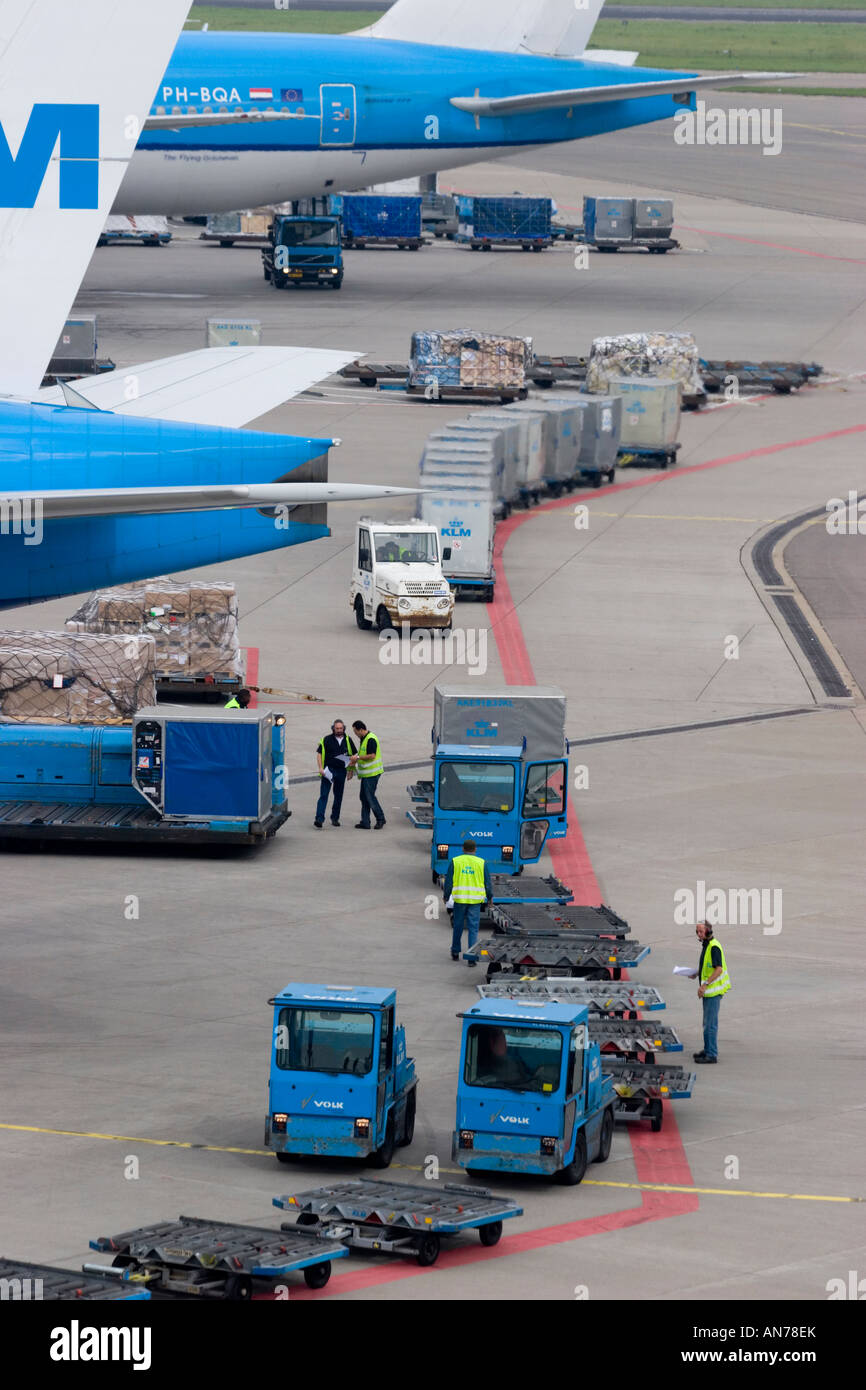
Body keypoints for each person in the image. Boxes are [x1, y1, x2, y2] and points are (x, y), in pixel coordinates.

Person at [444, 838, 492, 965]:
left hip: (460, 899)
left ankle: (455, 952)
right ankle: (471, 958)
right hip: (475, 901)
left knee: (458, 926)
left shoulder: (456, 861)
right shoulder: (482, 863)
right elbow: (487, 883)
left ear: (463, 849)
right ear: (475, 849)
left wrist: (446, 896)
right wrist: (490, 897)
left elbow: (448, 882)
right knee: (473, 928)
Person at [694, 920, 731, 1064]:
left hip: (713, 992)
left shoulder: (713, 947)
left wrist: (704, 985)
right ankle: (707, 1049)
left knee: (710, 1024)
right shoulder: (707, 944)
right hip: (709, 992)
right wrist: (697, 973)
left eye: (701, 931)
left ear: (708, 931)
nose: (698, 934)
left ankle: (711, 1054)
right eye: (697, 931)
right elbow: (707, 966)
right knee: (707, 1023)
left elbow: (718, 969)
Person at [314, 720, 356, 828]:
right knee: (324, 795)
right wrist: (320, 768)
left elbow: (354, 756)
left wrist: (351, 770)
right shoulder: (326, 739)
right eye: (337, 728)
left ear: (344, 728)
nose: (339, 730)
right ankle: (319, 819)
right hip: (329, 770)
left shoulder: (348, 740)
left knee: (338, 796)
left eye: (340, 728)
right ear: (333, 728)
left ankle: (335, 818)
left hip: (341, 771)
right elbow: (319, 754)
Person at [349, 721, 386, 829]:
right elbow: (362, 754)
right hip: (367, 774)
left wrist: (358, 758)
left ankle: (381, 818)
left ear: (361, 730)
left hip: (372, 773)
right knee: (363, 797)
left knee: (369, 797)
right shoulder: (364, 738)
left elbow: (372, 755)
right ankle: (365, 822)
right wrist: (354, 762)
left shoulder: (370, 739)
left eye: (355, 732)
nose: (355, 734)